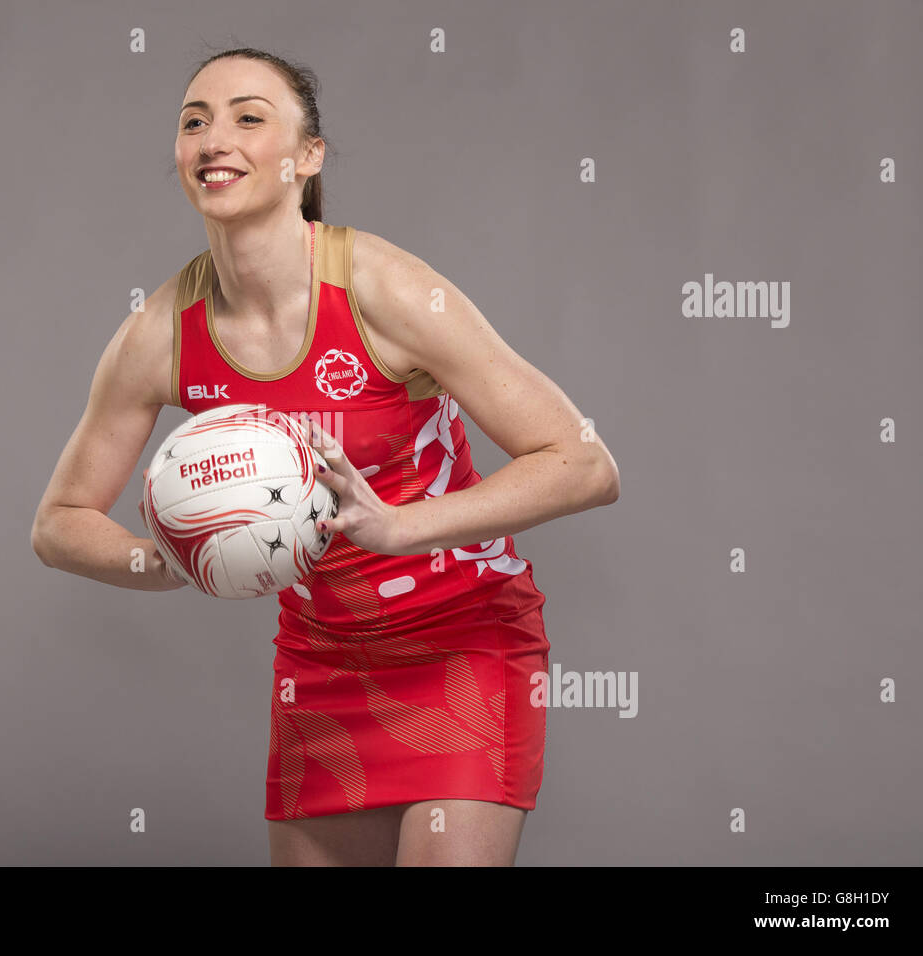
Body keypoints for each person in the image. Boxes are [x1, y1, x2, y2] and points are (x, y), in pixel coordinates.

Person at [31, 47, 620, 866]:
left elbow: (584, 463)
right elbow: (58, 523)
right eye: (193, 120)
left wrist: (399, 527)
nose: (213, 138)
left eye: (248, 117)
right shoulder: (161, 331)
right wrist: (166, 560)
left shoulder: (385, 288)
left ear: (305, 159)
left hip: (462, 640)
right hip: (322, 663)